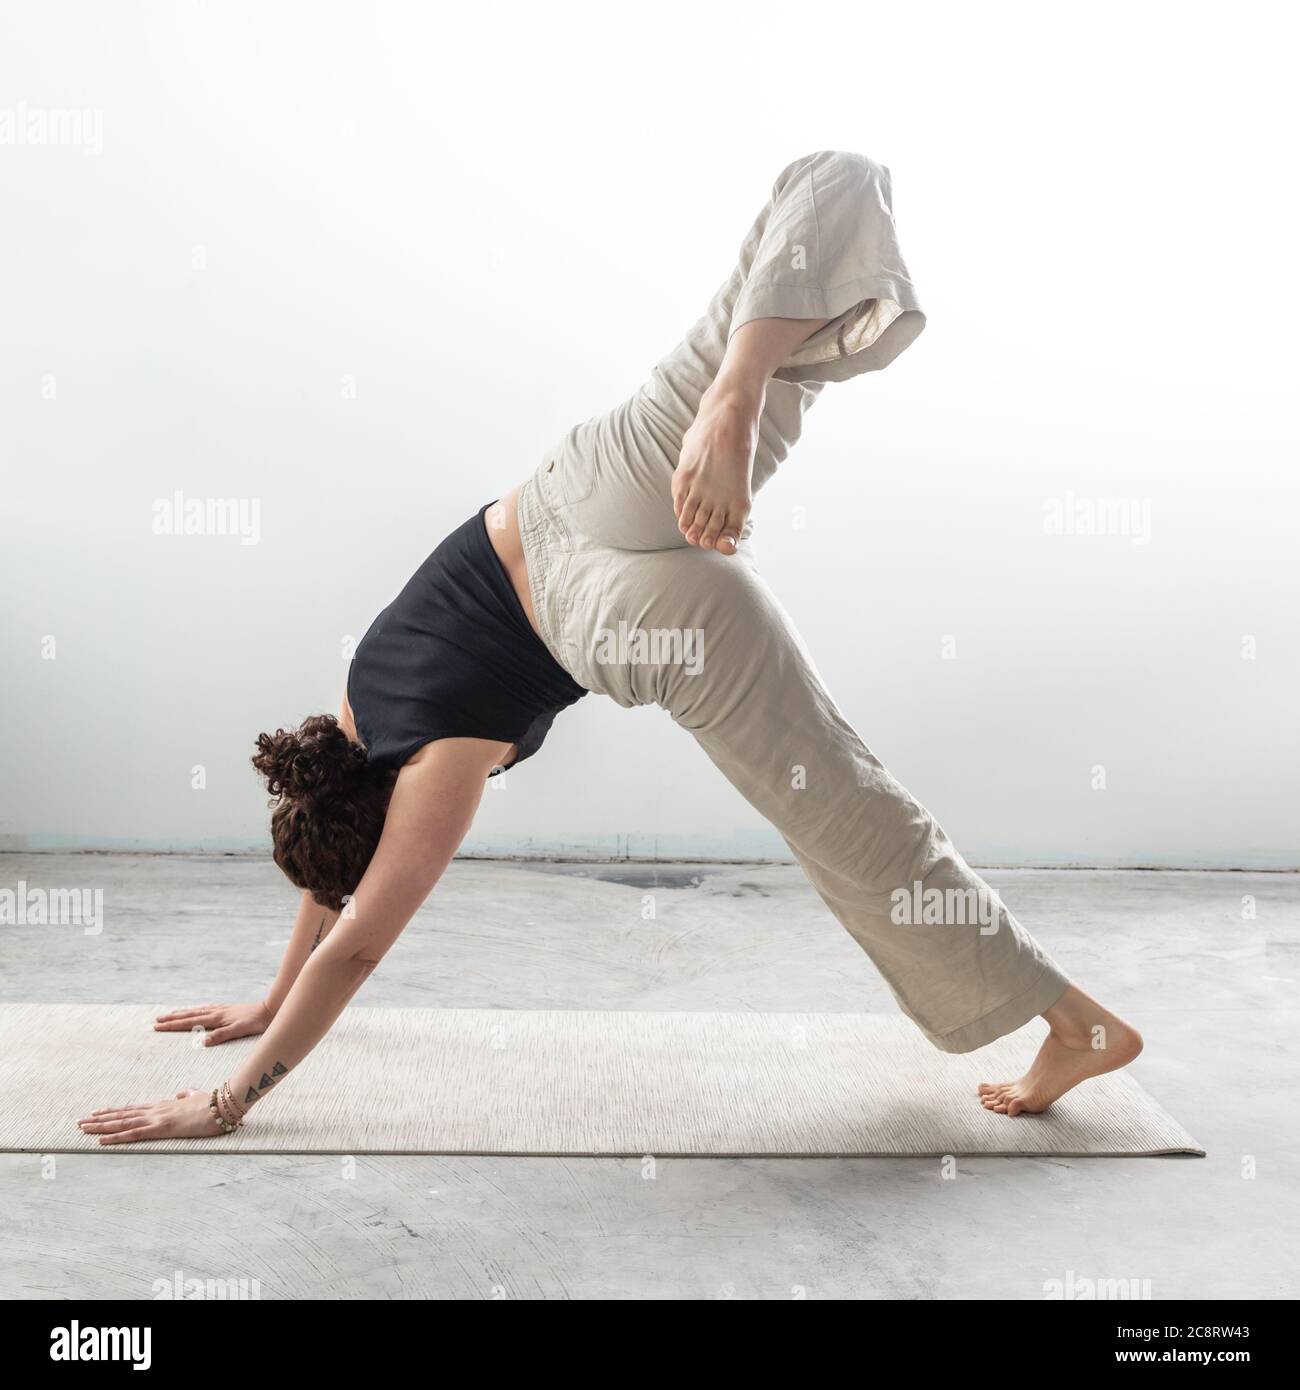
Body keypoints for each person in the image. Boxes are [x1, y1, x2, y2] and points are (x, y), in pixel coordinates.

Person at [78, 151, 1142, 1145]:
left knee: (838, 802)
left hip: (613, 616)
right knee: (829, 192)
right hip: (571, 493)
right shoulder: (352, 718)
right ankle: (745, 377)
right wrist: (268, 999)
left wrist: (228, 1098)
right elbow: (332, 883)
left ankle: (1074, 1021)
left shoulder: (433, 777)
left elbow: (351, 937)